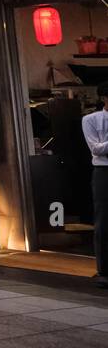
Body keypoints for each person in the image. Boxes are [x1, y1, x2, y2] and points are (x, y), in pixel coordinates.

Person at [82, 83, 108, 288]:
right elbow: (96, 149)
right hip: (103, 172)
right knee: (103, 220)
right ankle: (104, 270)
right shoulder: (91, 120)